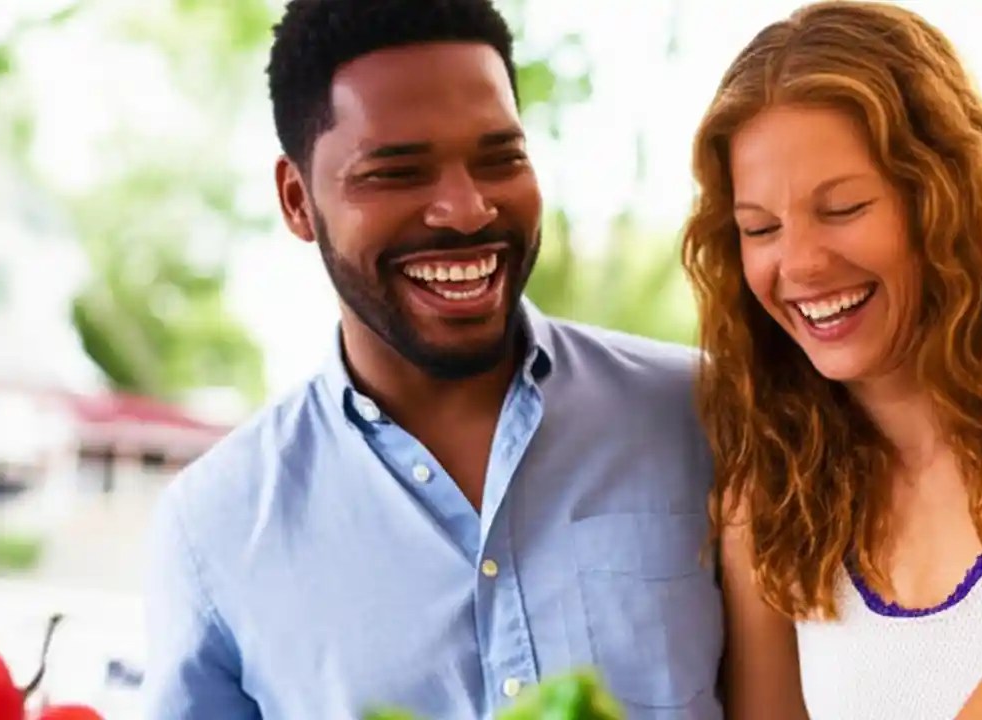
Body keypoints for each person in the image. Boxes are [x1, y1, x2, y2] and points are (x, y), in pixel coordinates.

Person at [142, 1, 724, 718]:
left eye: (499, 158)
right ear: (298, 200)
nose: (466, 208)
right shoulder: (215, 529)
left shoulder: (705, 416)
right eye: (398, 173)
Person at [681, 2, 982, 718]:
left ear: (945, 198)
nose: (801, 263)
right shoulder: (770, 499)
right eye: (762, 228)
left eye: (843, 209)